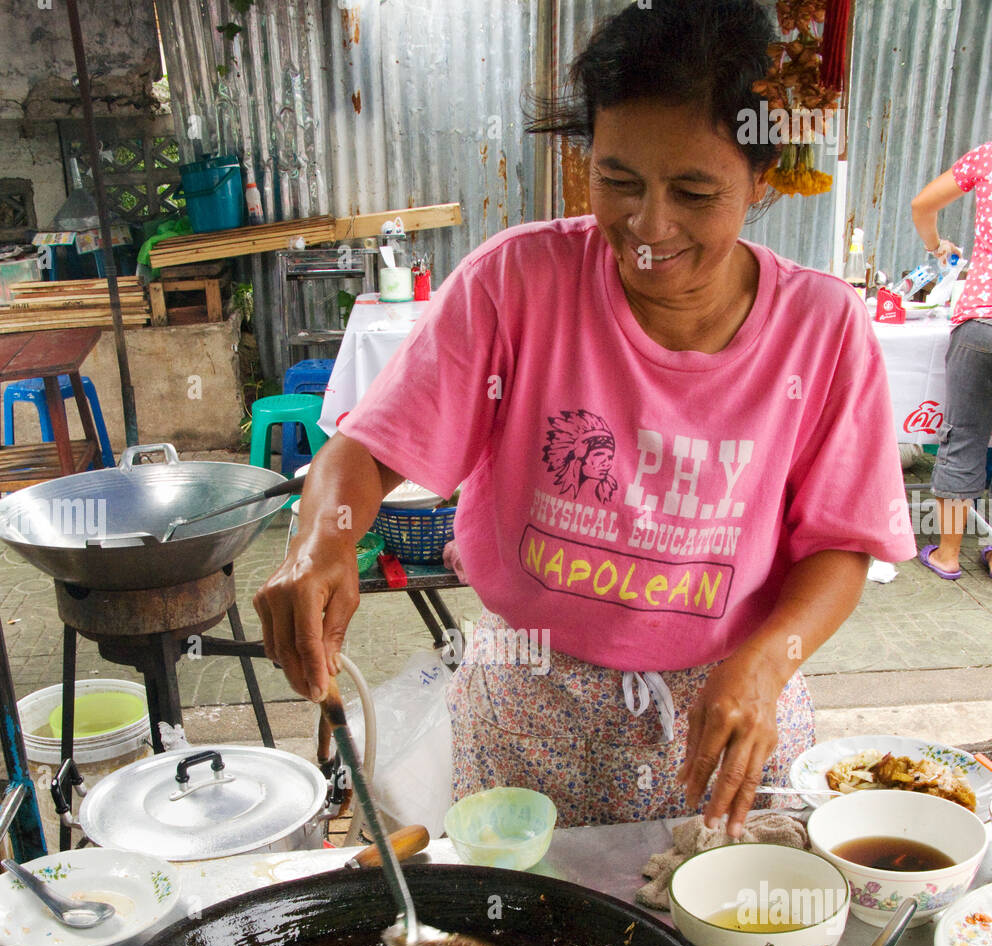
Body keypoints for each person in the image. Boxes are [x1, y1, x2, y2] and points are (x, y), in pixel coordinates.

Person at [254, 0, 915, 838]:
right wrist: (323, 542)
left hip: (731, 708)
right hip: (532, 706)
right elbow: (370, 447)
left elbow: (843, 541)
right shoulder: (516, 282)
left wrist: (767, 662)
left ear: (763, 175)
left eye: (694, 191)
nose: (648, 227)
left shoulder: (822, 326)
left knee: (735, 945)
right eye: (618, 180)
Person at [911, 141, 992, 580]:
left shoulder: (987, 156)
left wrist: (937, 244)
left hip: (981, 321)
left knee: (964, 437)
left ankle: (946, 555)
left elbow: (922, 203)